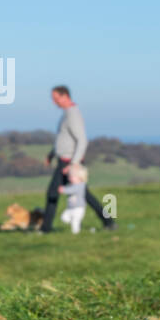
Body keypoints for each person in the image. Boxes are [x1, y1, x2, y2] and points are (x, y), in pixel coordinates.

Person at [40, 85, 115, 232]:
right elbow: (64, 139)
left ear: (65, 96)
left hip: (69, 162)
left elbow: (82, 140)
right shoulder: (67, 114)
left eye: (55, 98)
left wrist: (74, 164)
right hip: (64, 160)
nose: (54, 102)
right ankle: (109, 222)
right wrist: (52, 154)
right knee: (80, 193)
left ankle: (46, 228)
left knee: (57, 193)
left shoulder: (73, 114)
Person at [57, 163, 90, 233]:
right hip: (70, 208)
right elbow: (71, 188)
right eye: (69, 177)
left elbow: (72, 190)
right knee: (64, 218)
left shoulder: (81, 185)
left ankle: (76, 234)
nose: (69, 178)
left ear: (79, 177)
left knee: (75, 222)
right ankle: (74, 227)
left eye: (71, 177)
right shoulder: (72, 185)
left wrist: (63, 190)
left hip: (79, 208)